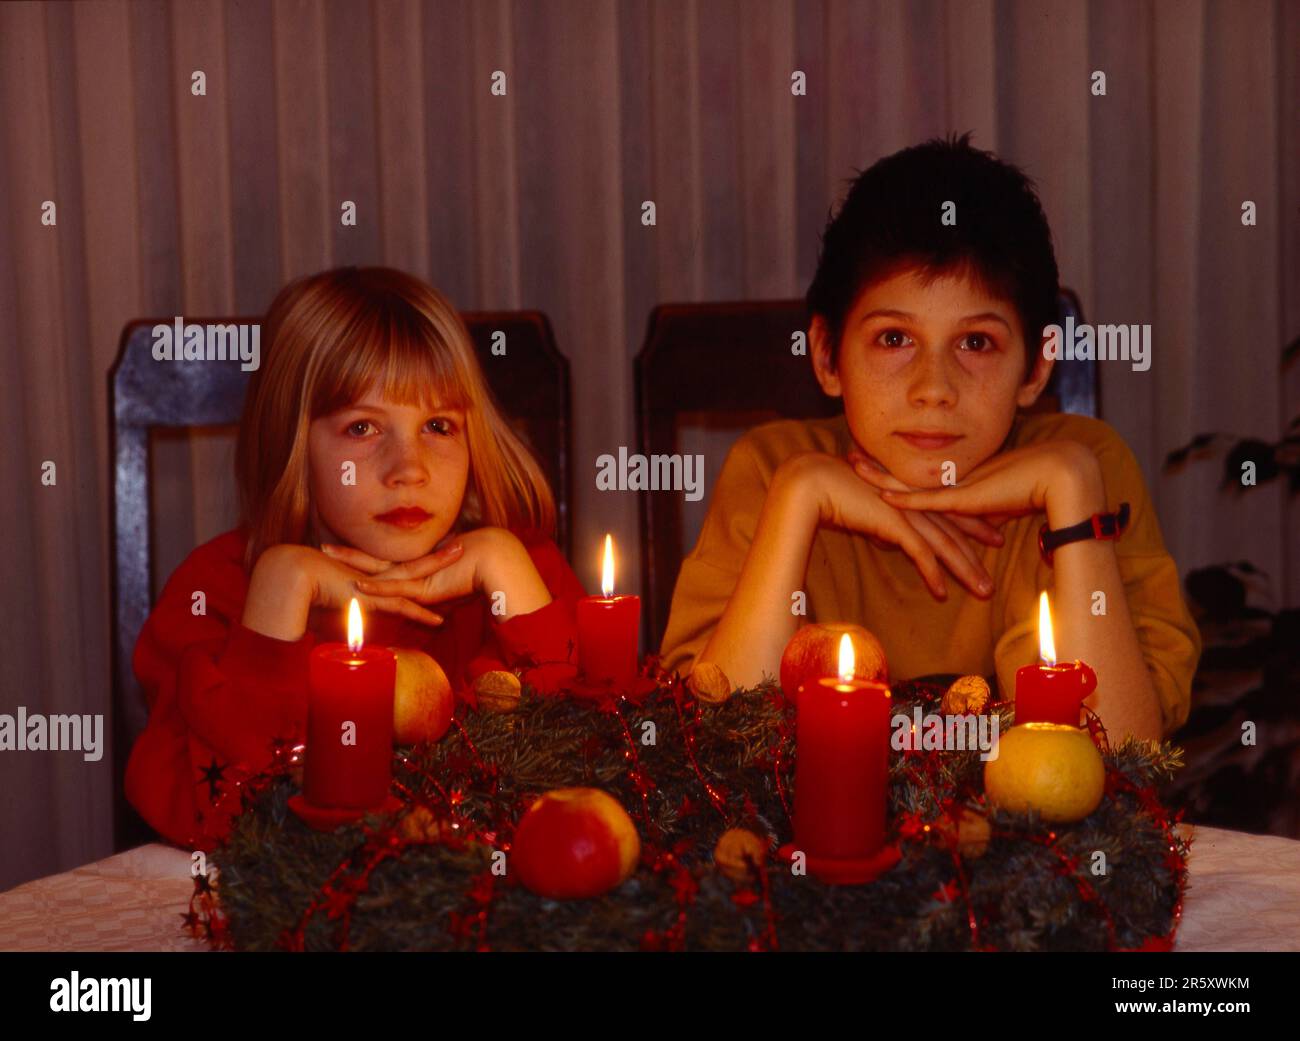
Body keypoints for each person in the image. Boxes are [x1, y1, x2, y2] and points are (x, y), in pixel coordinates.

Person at [658, 134, 1200, 742]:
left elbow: (1126, 753)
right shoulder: (773, 468)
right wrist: (800, 497)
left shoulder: (1086, 467)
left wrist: (1071, 493)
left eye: (976, 343)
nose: (933, 388)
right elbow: (712, 748)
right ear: (828, 355)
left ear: (1037, 367)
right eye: (894, 339)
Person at [125, 267, 585, 849]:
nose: (409, 469)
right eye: (363, 427)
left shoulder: (523, 573)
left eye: (438, 426)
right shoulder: (216, 593)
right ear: (291, 441)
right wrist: (277, 607)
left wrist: (514, 587)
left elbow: (611, 782)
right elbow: (210, 814)